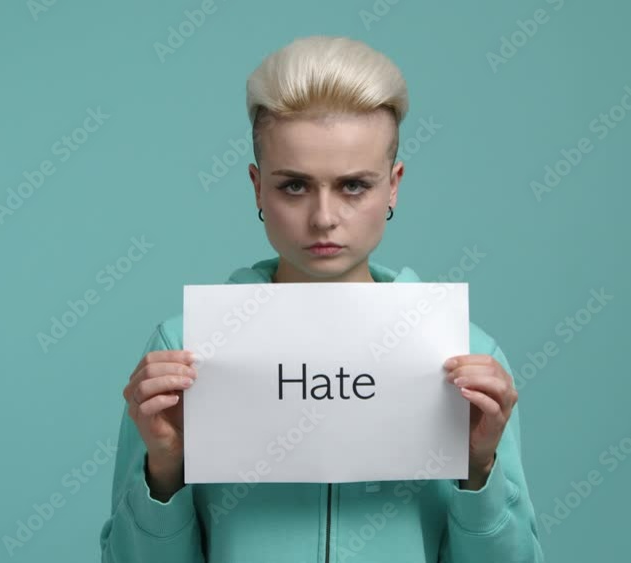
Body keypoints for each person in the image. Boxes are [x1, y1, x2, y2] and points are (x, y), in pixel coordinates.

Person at [99, 35, 544, 562]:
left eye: (354, 185)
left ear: (393, 186)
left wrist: (480, 470)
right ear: (257, 187)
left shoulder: (466, 354)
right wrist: (164, 470)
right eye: (294, 186)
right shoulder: (185, 348)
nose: (324, 217)